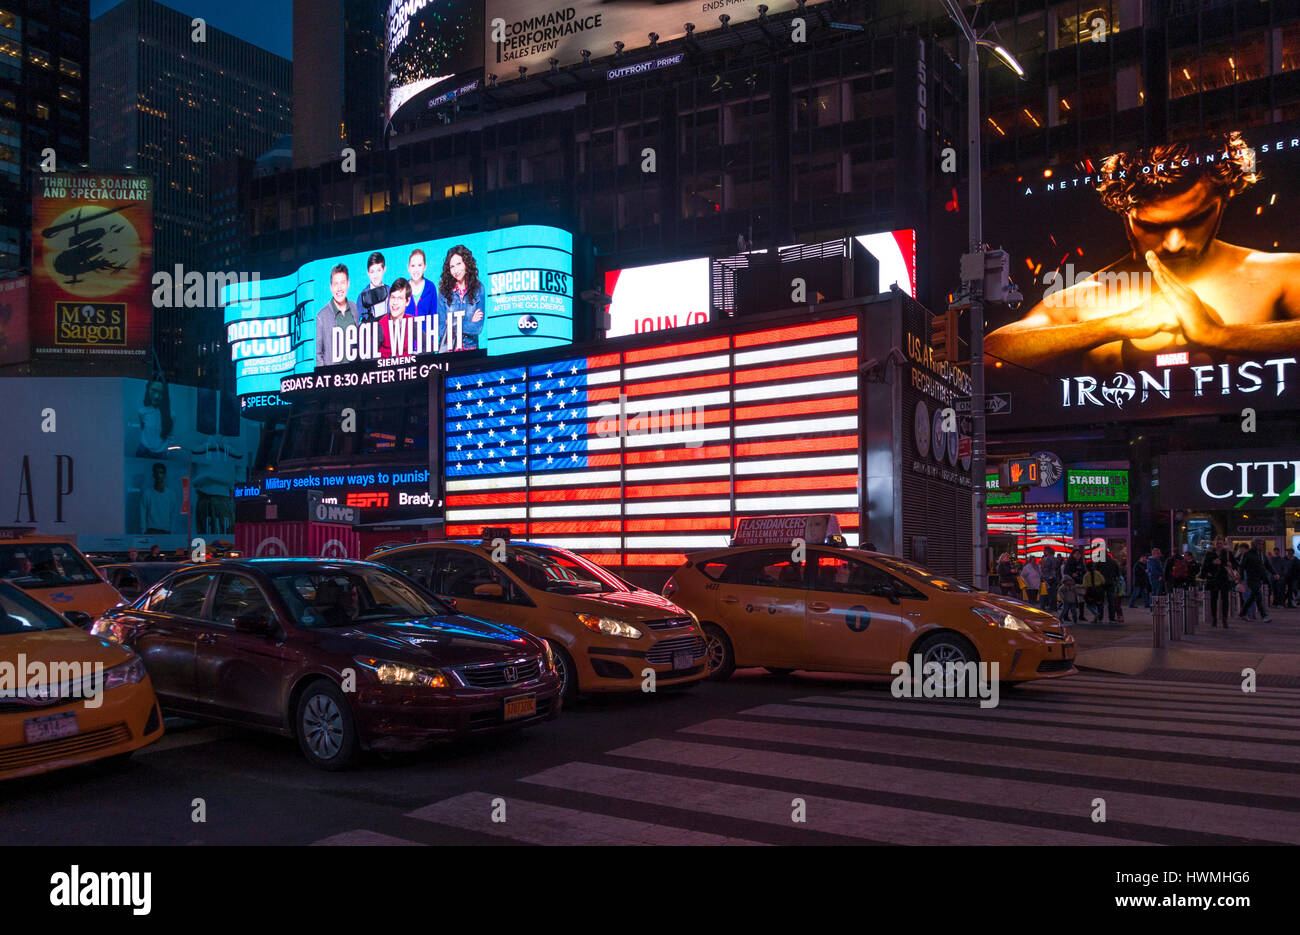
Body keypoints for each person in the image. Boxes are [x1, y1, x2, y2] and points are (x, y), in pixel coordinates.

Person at [985, 130, 1300, 372]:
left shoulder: (1279, 273)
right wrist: (1116, 325)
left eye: (1196, 219)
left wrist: (1220, 335)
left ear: (1228, 192)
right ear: (1124, 210)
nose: (1174, 243)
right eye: (1153, 226)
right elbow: (988, 356)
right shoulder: (1086, 296)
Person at [436, 245, 486, 352]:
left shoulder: (479, 288)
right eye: (452, 267)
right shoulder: (443, 292)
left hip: (470, 350)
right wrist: (469, 321)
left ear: (466, 263)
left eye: (459, 264)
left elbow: (478, 327)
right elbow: (440, 330)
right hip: (448, 351)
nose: (456, 270)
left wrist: (452, 324)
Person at [315, 264, 359, 367]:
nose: (339, 288)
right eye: (336, 284)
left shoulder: (354, 308)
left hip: (354, 374)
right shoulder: (321, 316)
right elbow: (318, 354)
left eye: (342, 283)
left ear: (348, 283)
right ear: (331, 287)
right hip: (333, 377)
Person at [134, 378, 175, 458]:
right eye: (154, 390)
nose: (156, 396)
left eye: (161, 393)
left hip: (161, 454)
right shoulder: (142, 412)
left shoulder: (171, 414)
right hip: (143, 451)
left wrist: (166, 451)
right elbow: (143, 429)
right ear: (148, 390)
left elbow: (171, 435)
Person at [1201, 537, 1233, 628]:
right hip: (1213, 579)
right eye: (1217, 543)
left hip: (1224, 579)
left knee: (1225, 599)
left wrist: (1229, 564)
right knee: (1213, 599)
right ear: (1214, 544)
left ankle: (1224, 619)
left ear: (1223, 544)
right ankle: (1214, 618)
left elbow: (1235, 564)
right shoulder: (1210, 554)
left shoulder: (1227, 553)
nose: (1219, 545)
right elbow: (1204, 566)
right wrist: (1212, 563)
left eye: (1221, 543)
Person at [378, 277, 413, 358]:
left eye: (399, 298)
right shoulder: (382, 325)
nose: (395, 303)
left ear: (407, 301)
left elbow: (430, 345)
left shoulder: (411, 321)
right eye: (393, 297)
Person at [1239, 538, 1271, 623]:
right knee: (1258, 596)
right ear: (1254, 545)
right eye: (1259, 544)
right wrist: (1241, 578)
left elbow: (1267, 565)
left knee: (1252, 597)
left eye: (1262, 544)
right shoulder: (1248, 554)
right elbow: (1242, 566)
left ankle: (1243, 613)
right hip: (1251, 579)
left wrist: (1275, 573)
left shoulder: (1262, 554)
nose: (1261, 546)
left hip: (1259, 579)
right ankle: (1264, 615)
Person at [139, 462, 172, 534]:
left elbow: (173, 514)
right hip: (151, 530)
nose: (159, 475)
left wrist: (171, 530)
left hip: (166, 531)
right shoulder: (147, 493)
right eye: (156, 472)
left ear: (165, 474)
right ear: (153, 474)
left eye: (161, 472)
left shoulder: (171, 494)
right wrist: (143, 531)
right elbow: (143, 513)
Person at [357, 251, 390, 321]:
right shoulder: (362, 297)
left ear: (384, 269)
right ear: (368, 273)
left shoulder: (391, 292)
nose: (375, 276)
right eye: (372, 272)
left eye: (378, 270)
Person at [405, 248, 437, 320]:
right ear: (408, 268)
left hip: (426, 331)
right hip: (407, 330)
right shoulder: (403, 288)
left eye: (419, 265)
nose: (416, 270)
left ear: (424, 266)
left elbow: (434, 316)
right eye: (413, 266)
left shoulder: (430, 287)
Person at [1097, 551, 1121, 624]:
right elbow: (1118, 573)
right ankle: (1112, 617)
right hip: (1111, 583)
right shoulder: (1113, 562)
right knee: (1111, 601)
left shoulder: (1099, 563)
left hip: (1101, 584)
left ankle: (1100, 617)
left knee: (1100, 601)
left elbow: (1095, 573)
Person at [1039, 548, 1060, 612]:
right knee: (1053, 593)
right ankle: (1054, 607)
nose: (1043, 552)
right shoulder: (1054, 558)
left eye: (1044, 551)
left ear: (1047, 551)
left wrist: (1042, 565)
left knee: (1050, 593)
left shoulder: (1048, 558)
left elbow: (1046, 568)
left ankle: (1051, 607)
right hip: (1053, 577)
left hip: (1049, 577)